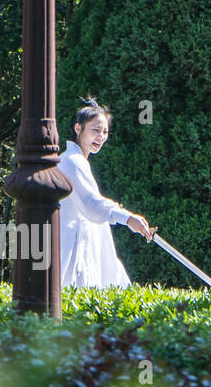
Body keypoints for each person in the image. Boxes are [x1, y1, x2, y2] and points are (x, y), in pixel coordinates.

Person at [58, 97, 154, 288]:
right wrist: (127, 218)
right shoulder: (71, 161)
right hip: (73, 249)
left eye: (105, 132)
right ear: (78, 128)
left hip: (84, 246)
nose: (101, 137)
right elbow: (92, 204)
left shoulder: (77, 160)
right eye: (95, 130)